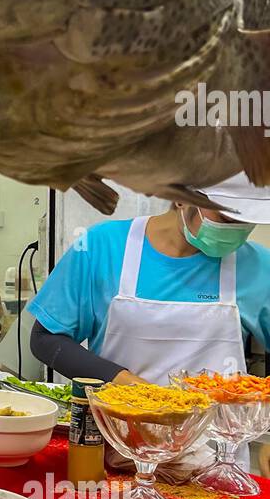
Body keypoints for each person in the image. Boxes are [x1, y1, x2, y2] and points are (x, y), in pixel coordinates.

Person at [28, 175, 270, 472]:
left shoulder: (258, 266)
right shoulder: (103, 247)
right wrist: (127, 384)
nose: (237, 230)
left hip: (219, 469)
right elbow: (46, 338)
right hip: (119, 461)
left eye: (246, 221)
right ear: (181, 197)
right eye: (226, 216)